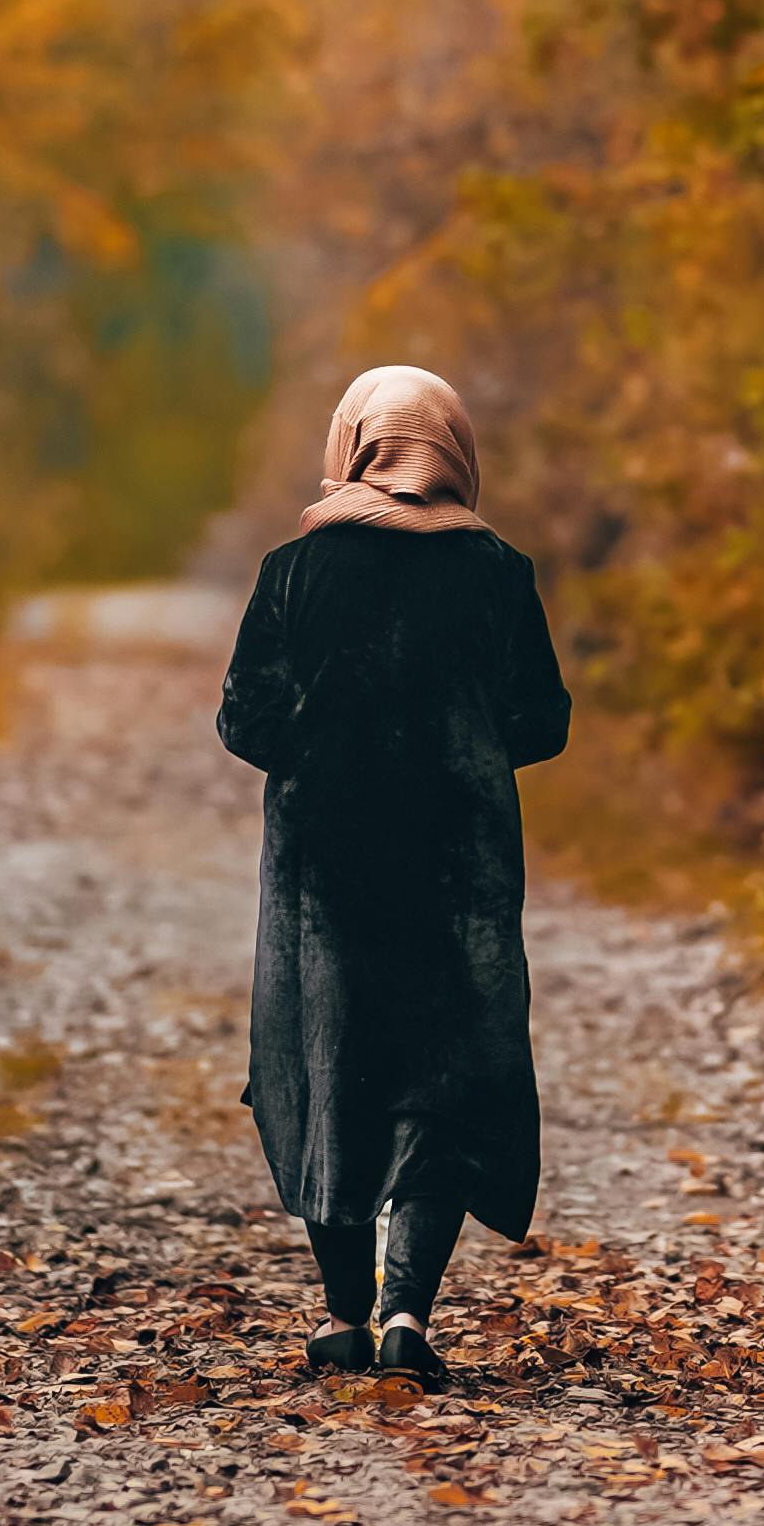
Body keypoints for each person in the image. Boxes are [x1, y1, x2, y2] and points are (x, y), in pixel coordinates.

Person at [216, 363, 572, 1390]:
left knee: (327, 1059)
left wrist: (327, 743)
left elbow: (245, 721)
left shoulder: (294, 571)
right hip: (456, 863)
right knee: (442, 1074)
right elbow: (540, 722)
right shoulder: (501, 572)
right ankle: (408, 1308)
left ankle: (340, 1315)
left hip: (324, 864)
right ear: (455, 448)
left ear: (353, 444)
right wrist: (455, 742)